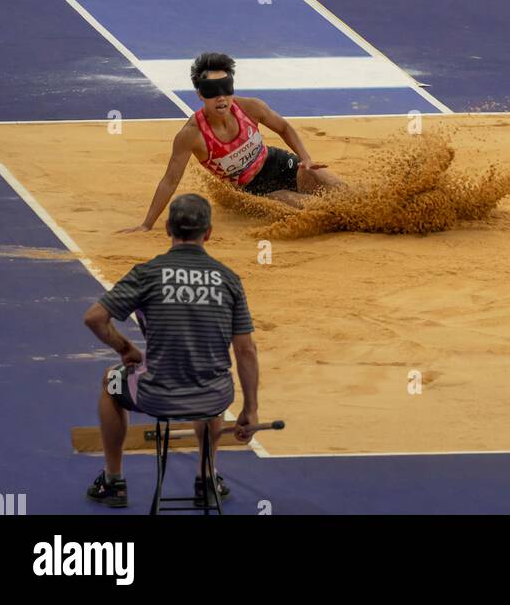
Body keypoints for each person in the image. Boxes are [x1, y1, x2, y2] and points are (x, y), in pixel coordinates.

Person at [84, 194, 258, 509]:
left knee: (111, 381)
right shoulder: (229, 280)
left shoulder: (146, 274)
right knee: (212, 375)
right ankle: (206, 479)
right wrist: (251, 409)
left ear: (167, 229)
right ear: (209, 233)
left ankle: (113, 481)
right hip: (214, 396)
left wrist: (125, 348)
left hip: (157, 395)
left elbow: (94, 318)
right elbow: (245, 350)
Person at [122, 52, 347, 233]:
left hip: (281, 163)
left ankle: (377, 214)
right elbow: (170, 180)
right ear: (200, 94)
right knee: (319, 210)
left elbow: (284, 128)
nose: (221, 97)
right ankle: (359, 224)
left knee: (342, 191)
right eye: (212, 91)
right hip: (255, 188)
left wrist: (305, 158)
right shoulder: (191, 135)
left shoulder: (250, 107)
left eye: (225, 89)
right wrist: (147, 224)